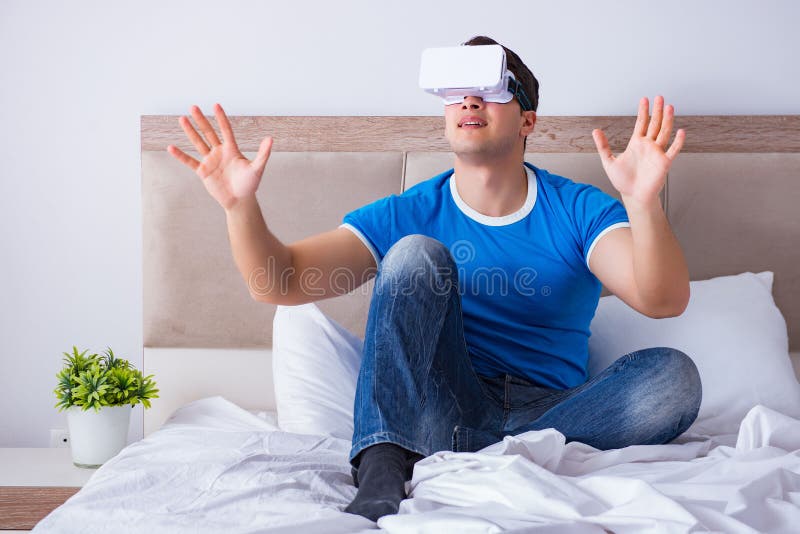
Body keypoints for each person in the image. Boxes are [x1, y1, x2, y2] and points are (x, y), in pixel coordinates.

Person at [167, 35, 702, 523]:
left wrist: (643, 203)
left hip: (556, 418)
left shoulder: (578, 209)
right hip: (444, 409)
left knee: (673, 378)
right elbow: (278, 282)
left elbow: (662, 299)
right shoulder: (408, 213)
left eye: (492, 89)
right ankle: (381, 465)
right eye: (457, 93)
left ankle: (504, 452)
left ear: (528, 120)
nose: (470, 102)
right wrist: (240, 208)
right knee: (416, 255)